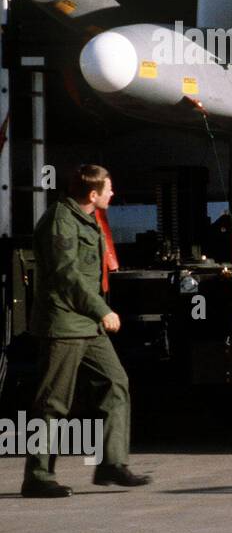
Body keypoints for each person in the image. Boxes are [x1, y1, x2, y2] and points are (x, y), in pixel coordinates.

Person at [22, 165, 151, 497]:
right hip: (64, 323)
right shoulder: (60, 221)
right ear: (92, 194)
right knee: (53, 401)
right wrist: (102, 310)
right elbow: (68, 276)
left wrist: (96, 314)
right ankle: (37, 475)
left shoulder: (85, 218)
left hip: (87, 324)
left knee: (115, 382)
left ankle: (112, 462)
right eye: (109, 189)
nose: (113, 193)